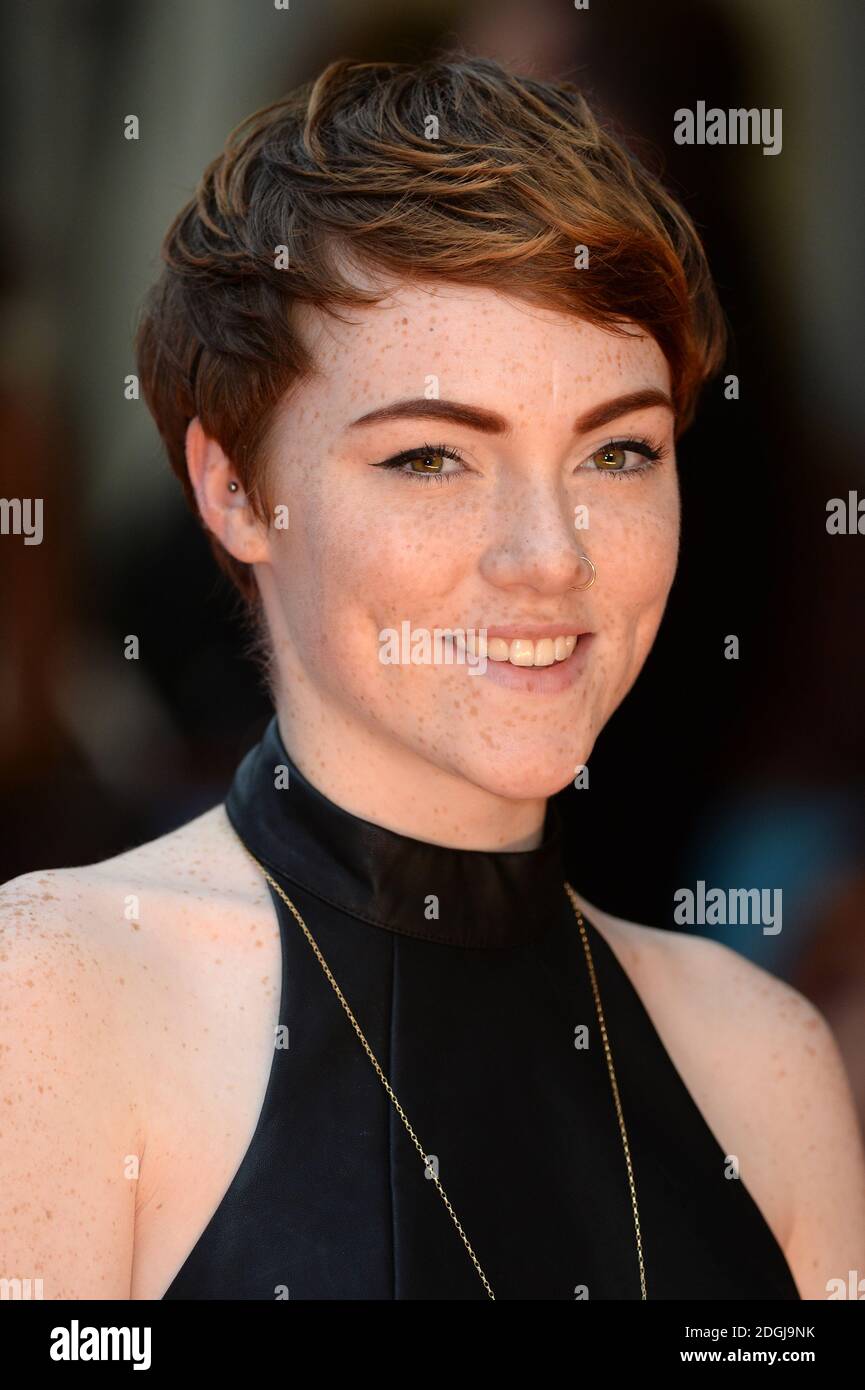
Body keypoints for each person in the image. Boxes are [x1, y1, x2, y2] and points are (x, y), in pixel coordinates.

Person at [2, 54, 863, 1302]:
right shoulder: (61, 994)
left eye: (618, 451)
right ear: (234, 488)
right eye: (430, 458)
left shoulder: (761, 1056)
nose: (548, 557)